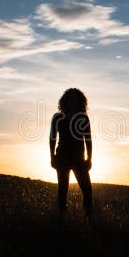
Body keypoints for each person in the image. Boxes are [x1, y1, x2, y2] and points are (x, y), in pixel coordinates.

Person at [49, 88, 93, 219]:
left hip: (79, 158)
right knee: (62, 189)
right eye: (70, 98)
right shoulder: (58, 117)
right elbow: (52, 138)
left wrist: (89, 158)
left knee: (87, 189)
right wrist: (52, 157)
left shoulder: (83, 118)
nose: (72, 101)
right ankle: (62, 217)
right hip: (62, 156)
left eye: (75, 99)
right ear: (65, 100)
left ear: (80, 101)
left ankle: (88, 218)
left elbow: (88, 139)